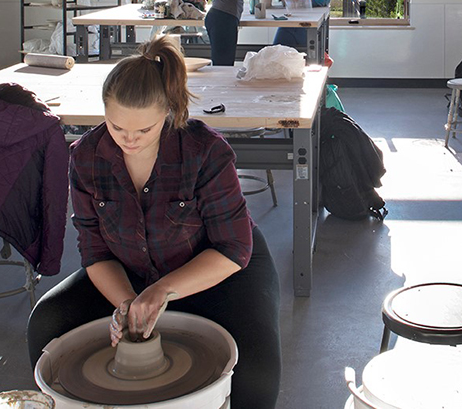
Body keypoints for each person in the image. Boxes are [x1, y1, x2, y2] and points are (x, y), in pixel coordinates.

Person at [26, 37, 281, 409]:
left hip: (218, 270)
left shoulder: (204, 151)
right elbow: (94, 252)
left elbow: (233, 249)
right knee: (47, 323)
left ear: (167, 113)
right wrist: (128, 303)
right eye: (116, 127)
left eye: (143, 131)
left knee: (256, 375)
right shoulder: (86, 157)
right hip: (131, 273)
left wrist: (161, 292)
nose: (128, 140)